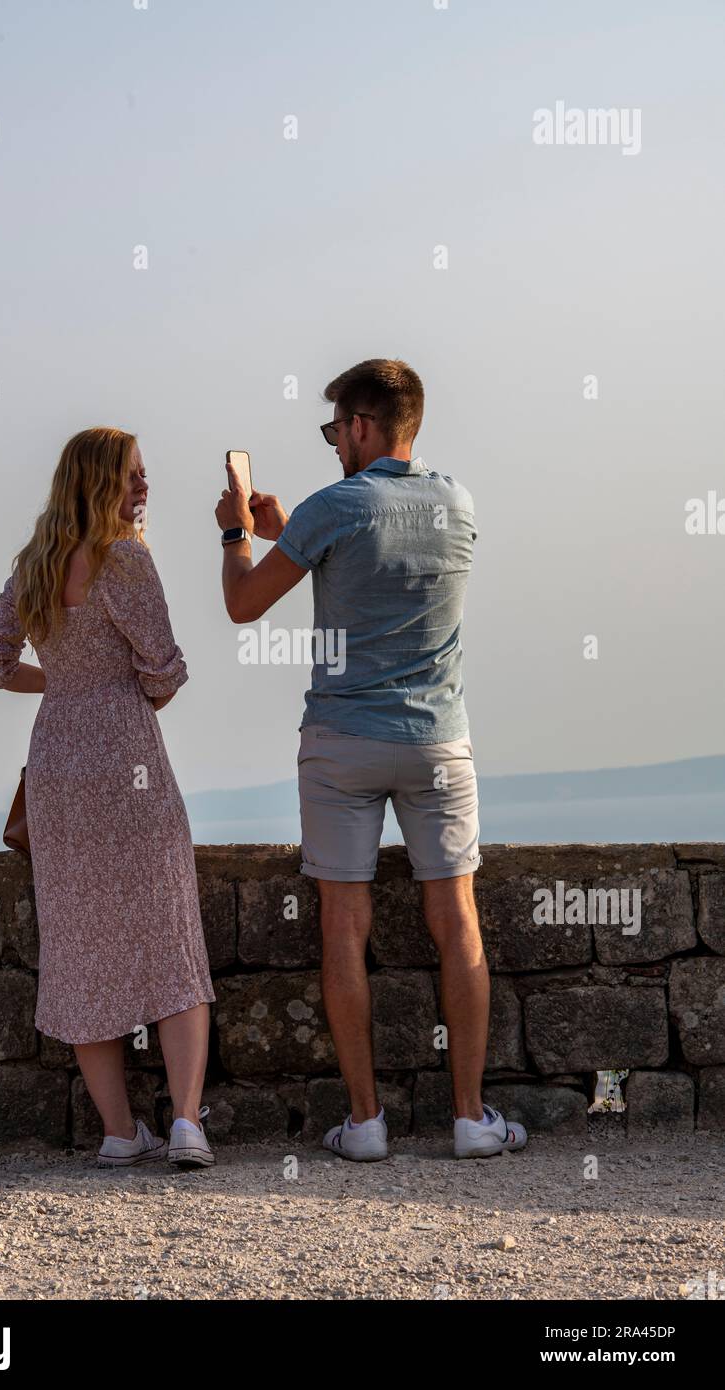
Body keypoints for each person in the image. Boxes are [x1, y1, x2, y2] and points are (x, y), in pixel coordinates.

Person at [214, 359, 528, 1161]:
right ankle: (468, 1118)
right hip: (436, 741)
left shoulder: (335, 508)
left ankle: (364, 1124)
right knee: (457, 923)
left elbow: (244, 604)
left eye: (334, 431)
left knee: (343, 927)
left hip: (342, 744)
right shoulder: (456, 503)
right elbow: (385, 557)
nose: (334, 446)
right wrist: (300, 530)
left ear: (360, 426)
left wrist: (238, 533)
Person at [0, 426, 216, 1169]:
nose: (144, 486)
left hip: (57, 765)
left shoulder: (35, 565)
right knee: (170, 935)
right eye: (131, 476)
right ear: (99, 481)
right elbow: (164, 676)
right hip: (127, 761)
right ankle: (184, 1124)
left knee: (79, 943)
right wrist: (111, 685)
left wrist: (63, 682)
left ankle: (117, 1133)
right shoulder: (127, 560)